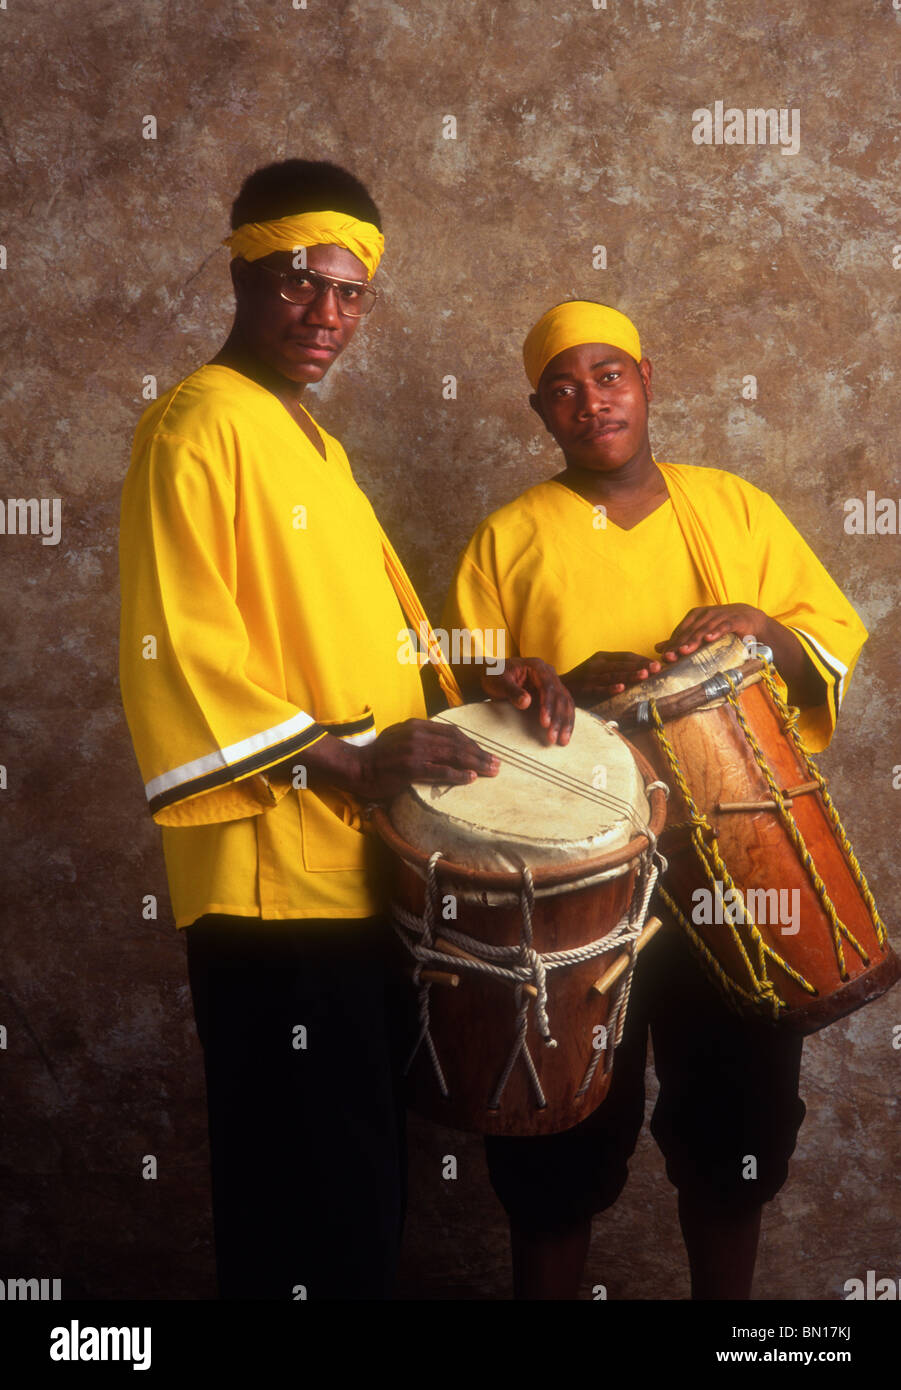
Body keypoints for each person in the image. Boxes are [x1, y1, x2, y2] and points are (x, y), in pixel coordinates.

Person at [118, 160, 573, 1301]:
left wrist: (481, 681)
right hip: (270, 885)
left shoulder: (311, 442)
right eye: (296, 281)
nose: (326, 314)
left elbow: (369, 643)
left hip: (352, 875)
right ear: (240, 271)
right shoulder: (197, 424)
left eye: (350, 292)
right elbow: (178, 650)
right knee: (303, 1208)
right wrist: (356, 761)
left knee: (359, 1193)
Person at [441, 299, 867, 1300]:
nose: (589, 400)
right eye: (562, 388)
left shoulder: (734, 508)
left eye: (608, 374)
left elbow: (824, 643)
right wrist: (534, 680)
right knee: (555, 1156)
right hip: (571, 886)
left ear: (646, 378)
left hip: (734, 871)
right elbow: (454, 701)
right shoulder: (506, 538)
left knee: (739, 1134)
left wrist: (761, 622)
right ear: (539, 412)